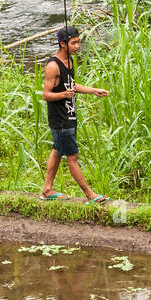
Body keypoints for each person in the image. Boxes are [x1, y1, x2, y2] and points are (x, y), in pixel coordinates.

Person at [40, 26, 109, 203]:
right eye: (74, 43)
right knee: (72, 157)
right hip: (60, 119)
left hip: (69, 115)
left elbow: (71, 85)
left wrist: (93, 90)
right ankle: (89, 194)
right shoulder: (53, 66)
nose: (78, 46)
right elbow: (46, 95)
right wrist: (63, 95)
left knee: (57, 150)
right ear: (62, 44)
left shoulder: (69, 62)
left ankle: (47, 189)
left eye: (78, 42)